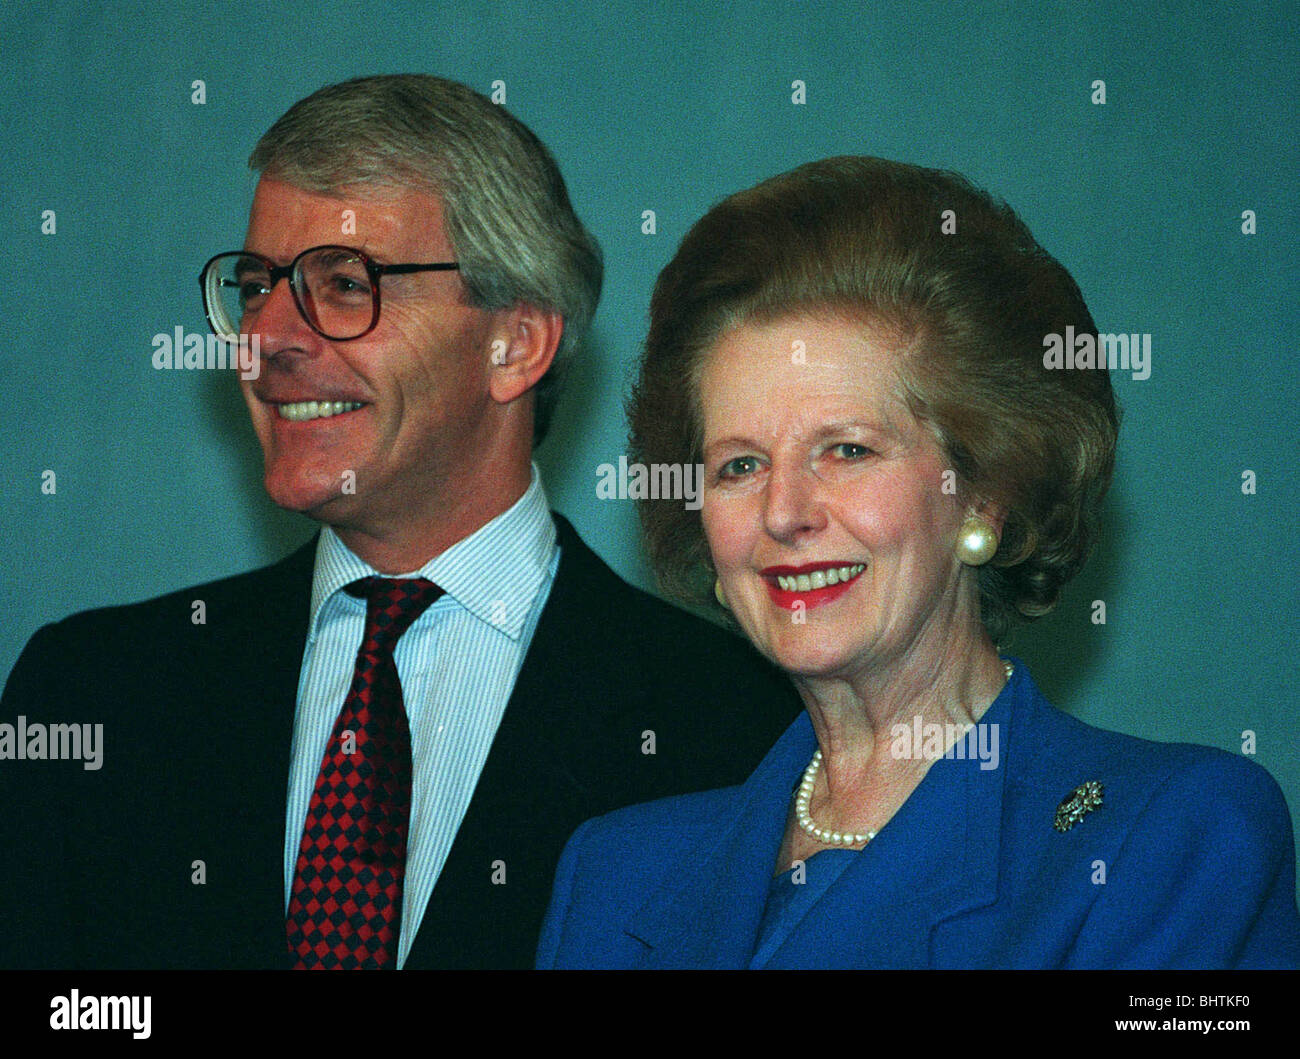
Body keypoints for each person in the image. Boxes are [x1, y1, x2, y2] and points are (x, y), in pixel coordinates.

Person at [0, 74, 798, 970]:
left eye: (343, 284)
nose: (269, 336)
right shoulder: (91, 697)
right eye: (257, 286)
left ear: (516, 343)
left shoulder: (744, 734)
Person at [536, 156, 1300, 969]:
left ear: (984, 494)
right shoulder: (613, 874)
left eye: (848, 449)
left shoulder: (1168, 839)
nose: (784, 511)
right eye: (739, 465)